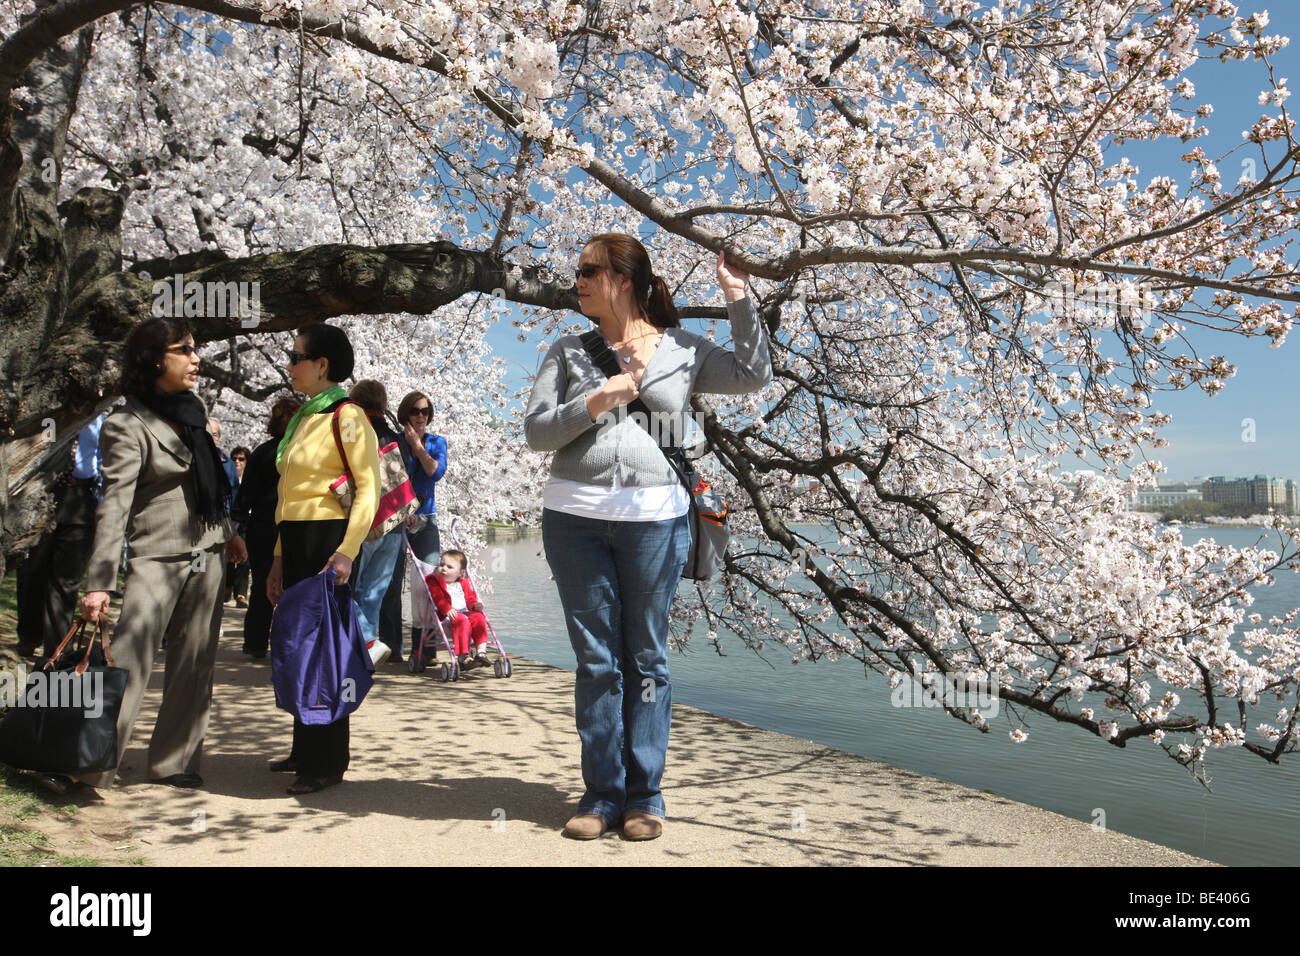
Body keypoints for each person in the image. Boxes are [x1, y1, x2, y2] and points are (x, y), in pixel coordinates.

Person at [524, 234, 771, 840]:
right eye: (577, 270)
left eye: (590, 270)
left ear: (625, 280)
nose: (577, 279)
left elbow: (753, 373)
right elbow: (535, 432)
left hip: (655, 519)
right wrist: (596, 401)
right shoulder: (568, 351)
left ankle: (646, 795)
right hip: (574, 518)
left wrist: (738, 296)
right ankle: (601, 795)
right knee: (597, 661)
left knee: (647, 659)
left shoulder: (683, 350)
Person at [45, 318, 246, 796]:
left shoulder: (194, 409)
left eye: (195, 349)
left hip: (211, 548)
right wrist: (99, 581)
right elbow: (112, 505)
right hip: (156, 554)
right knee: (129, 659)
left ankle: (174, 762)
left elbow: (209, 480)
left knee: (196, 661)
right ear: (155, 359)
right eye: (184, 350)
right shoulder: (125, 423)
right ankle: (90, 765)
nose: (196, 359)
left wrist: (231, 531)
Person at [266, 323, 380, 795]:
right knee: (297, 643)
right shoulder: (303, 417)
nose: (289, 365)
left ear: (322, 366)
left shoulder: (347, 414)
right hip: (294, 540)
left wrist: (346, 552)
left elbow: (369, 487)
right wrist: (275, 558)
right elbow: (286, 494)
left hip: (327, 542)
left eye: (296, 357)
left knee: (324, 650)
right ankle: (303, 748)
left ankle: (328, 759)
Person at [15, 411, 106, 659]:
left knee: (66, 580)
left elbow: (102, 458)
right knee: (32, 569)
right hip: (45, 493)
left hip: (81, 497)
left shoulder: (99, 419)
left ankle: (56, 647)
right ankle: (29, 634)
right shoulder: (49, 415)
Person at [381, 390, 448, 660]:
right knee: (391, 583)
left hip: (426, 518)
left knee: (429, 581)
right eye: (415, 411)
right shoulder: (394, 443)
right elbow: (387, 480)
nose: (421, 416)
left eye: (425, 411)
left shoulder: (437, 442)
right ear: (405, 413)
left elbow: (436, 472)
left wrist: (418, 448)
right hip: (397, 517)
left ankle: (425, 649)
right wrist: (401, 509)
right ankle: (391, 646)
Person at [232, 400, 300, 659]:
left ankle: (255, 643)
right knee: (291, 584)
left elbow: (245, 495)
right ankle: (286, 646)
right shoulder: (301, 452)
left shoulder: (262, 453)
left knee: (261, 583)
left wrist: (236, 524)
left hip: (262, 525)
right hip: (293, 524)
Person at [346, 379, 404, 666]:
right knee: (374, 593)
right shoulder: (396, 437)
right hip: (395, 524)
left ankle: (366, 641)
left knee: (348, 588)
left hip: (365, 523)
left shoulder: (357, 432)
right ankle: (366, 648)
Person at [424, 550, 489, 671]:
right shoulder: (434, 582)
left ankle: (481, 652)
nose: (444, 568)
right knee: (461, 620)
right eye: (442, 565)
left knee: (479, 617)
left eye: (449, 567)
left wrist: (475, 605)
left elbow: (470, 598)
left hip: (465, 613)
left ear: (461, 572)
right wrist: (446, 608)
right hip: (448, 617)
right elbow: (437, 597)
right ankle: (463, 656)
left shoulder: (463, 583)